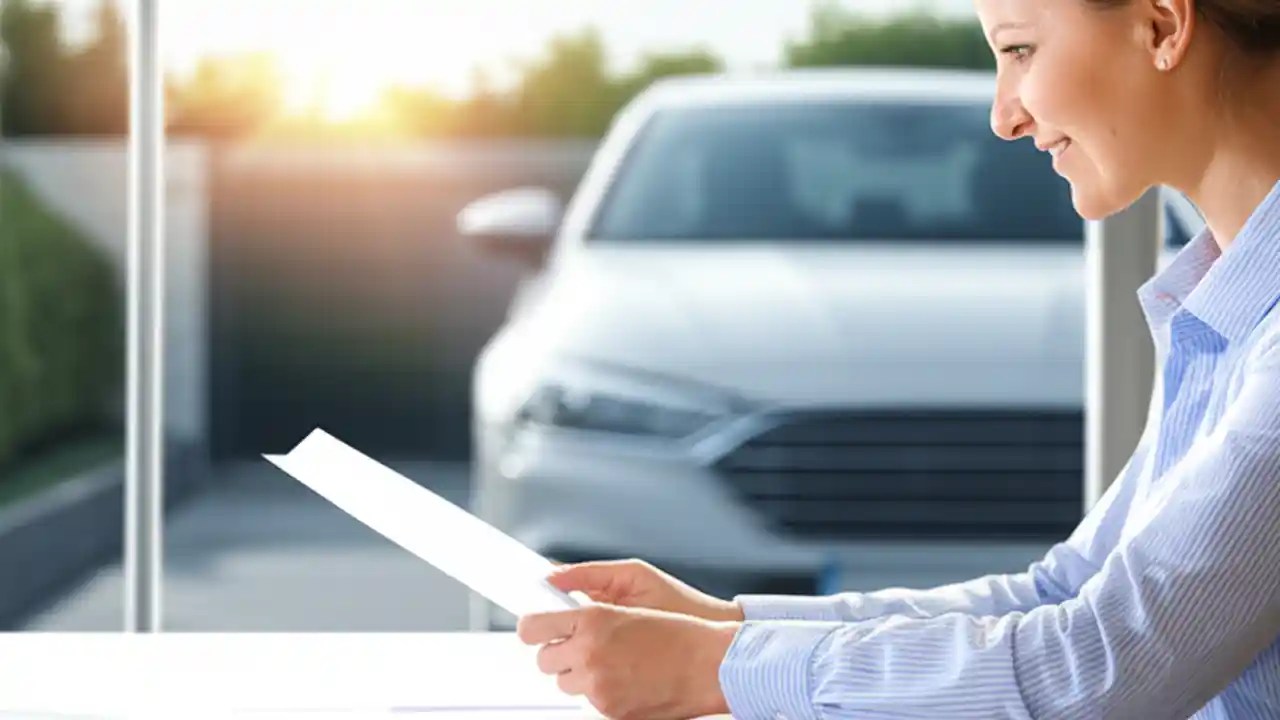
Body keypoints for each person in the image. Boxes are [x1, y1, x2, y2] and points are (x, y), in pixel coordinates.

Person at [515, 0, 1280, 716]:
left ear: (1160, 26)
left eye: (1019, 50)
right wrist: (723, 624)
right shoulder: (1224, 306)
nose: (1005, 115)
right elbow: (1063, 592)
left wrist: (713, 667)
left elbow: (1100, 665)